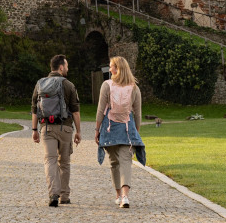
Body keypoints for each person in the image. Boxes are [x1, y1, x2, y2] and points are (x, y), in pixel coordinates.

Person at [93, 55, 146, 208]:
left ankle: (119, 195)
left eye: (111, 66)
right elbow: (138, 114)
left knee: (115, 162)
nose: (110, 69)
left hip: (110, 128)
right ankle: (124, 196)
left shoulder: (106, 85)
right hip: (127, 129)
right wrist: (136, 132)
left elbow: (100, 110)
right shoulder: (134, 88)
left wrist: (97, 130)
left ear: (117, 69)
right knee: (125, 162)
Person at [31, 54, 81, 207]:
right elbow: (75, 111)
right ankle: (64, 196)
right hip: (65, 128)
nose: (67, 69)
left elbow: (34, 109)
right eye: (66, 66)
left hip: (46, 128)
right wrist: (78, 131)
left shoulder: (40, 84)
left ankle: (53, 193)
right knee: (64, 162)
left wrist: (34, 129)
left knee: (50, 160)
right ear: (61, 67)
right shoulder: (68, 85)